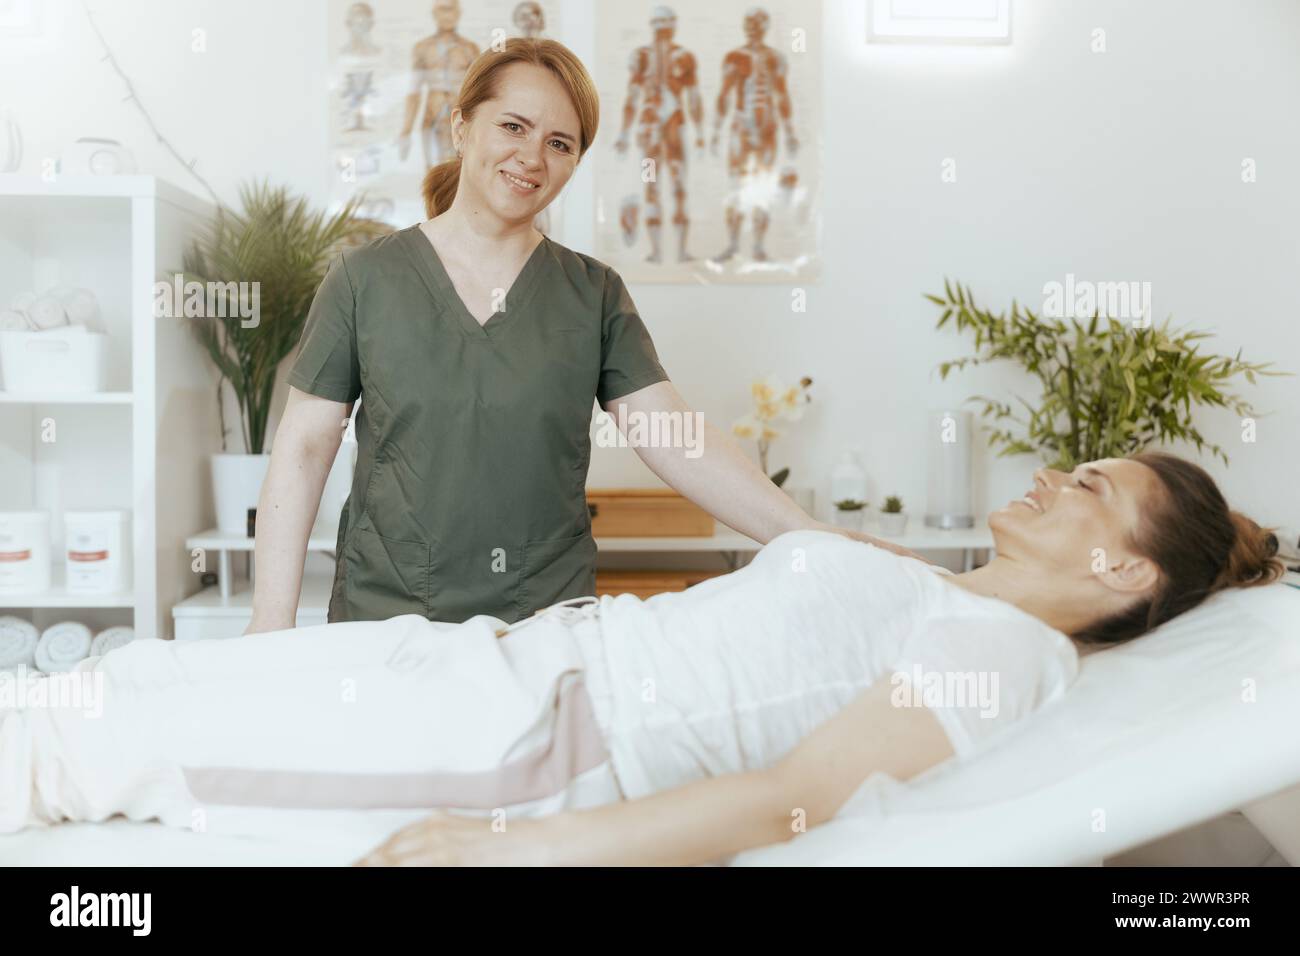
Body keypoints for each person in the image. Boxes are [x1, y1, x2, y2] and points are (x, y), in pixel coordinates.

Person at [0, 454, 1282, 865]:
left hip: (528, 747)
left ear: (1124, 572)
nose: (1055, 474)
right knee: (129, 681)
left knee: (94, 745)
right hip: (491, 665)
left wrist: (502, 849)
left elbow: (797, 796)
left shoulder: (1002, 656)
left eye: (1092, 485)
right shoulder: (941, 587)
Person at [252, 36, 914, 634]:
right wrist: (269, 623)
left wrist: (808, 535)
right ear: (461, 127)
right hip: (388, 618)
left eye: (560, 143)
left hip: (545, 624)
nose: (532, 157)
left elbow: (670, 436)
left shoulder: (592, 294)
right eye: (513, 126)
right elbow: (306, 446)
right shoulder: (364, 278)